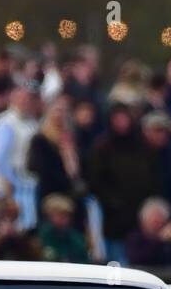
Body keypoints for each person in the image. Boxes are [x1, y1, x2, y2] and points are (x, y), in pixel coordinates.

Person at [86, 103, 154, 263]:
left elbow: (150, 177)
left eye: (125, 118)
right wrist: (113, 202)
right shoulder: (101, 147)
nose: (122, 123)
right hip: (112, 218)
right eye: (118, 119)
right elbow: (96, 180)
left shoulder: (141, 147)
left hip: (137, 216)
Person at [35, 193, 88, 263]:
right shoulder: (40, 236)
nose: (64, 219)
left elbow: (84, 260)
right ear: (49, 215)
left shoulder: (76, 238)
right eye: (60, 214)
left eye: (67, 215)